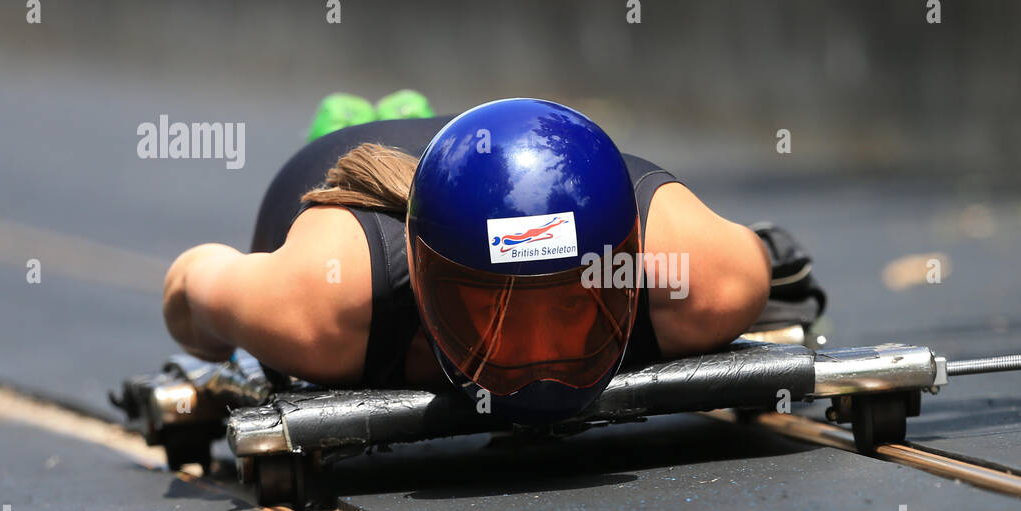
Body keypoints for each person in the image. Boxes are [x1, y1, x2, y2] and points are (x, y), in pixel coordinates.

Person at [163, 97, 772, 421]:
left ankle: (411, 111)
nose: (536, 355)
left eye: (569, 303)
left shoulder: (707, 277)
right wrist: (227, 335)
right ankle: (354, 117)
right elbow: (191, 283)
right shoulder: (324, 301)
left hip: (511, 146)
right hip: (350, 169)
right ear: (424, 283)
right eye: (488, 308)